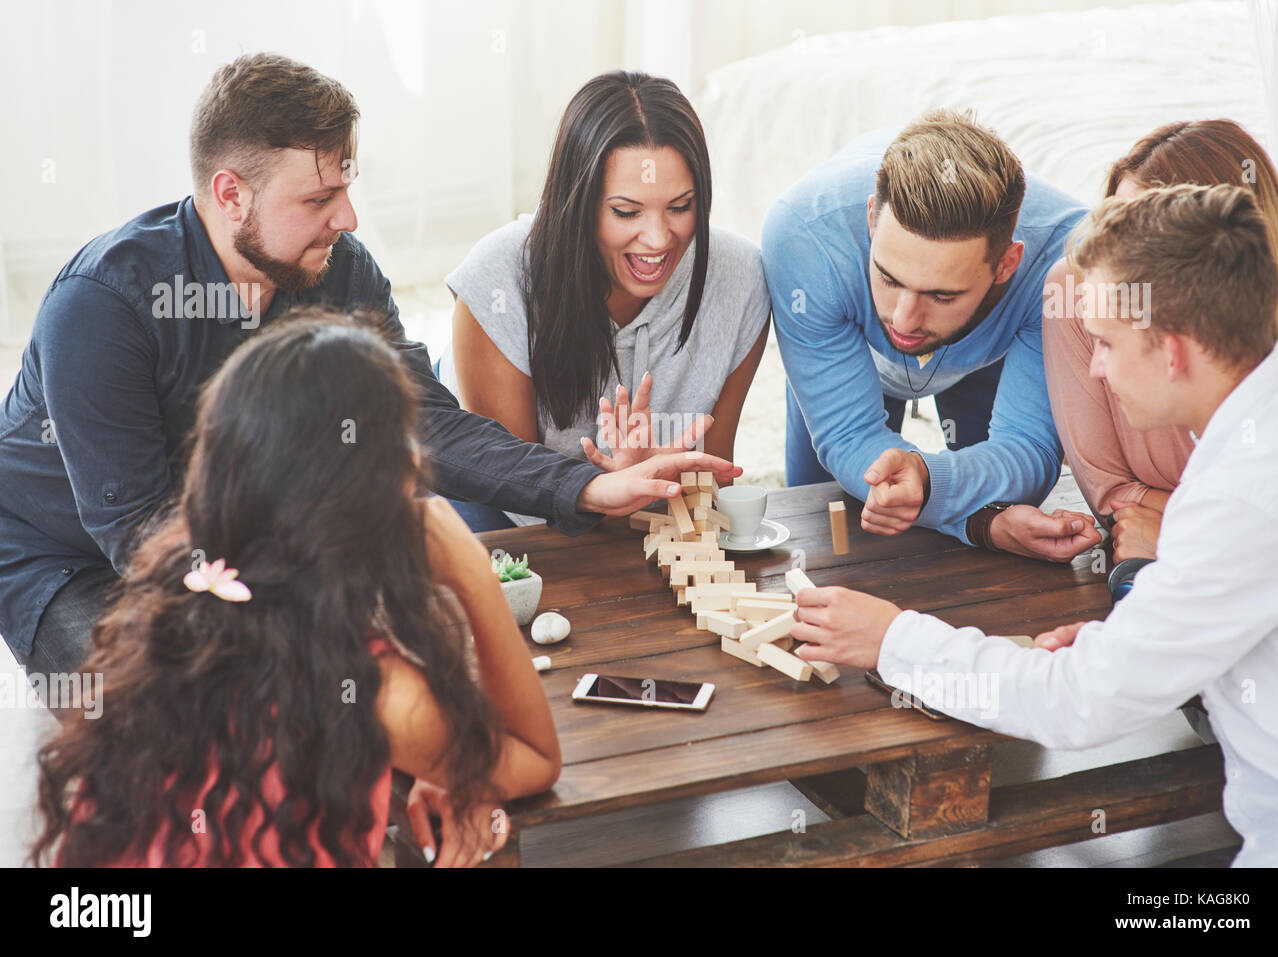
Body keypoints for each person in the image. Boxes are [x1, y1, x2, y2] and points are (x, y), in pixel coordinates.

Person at [0, 53, 740, 679]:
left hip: (250, 538)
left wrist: (588, 484)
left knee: (387, 672)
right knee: (198, 707)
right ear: (231, 193)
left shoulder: (338, 270)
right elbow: (138, 534)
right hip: (71, 563)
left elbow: (428, 425)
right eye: (321, 196)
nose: (349, 217)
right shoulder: (103, 306)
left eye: (348, 186)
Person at [785, 185, 1278, 866]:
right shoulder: (1271, 418)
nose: (1094, 365)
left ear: (1173, 352)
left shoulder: (1242, 491)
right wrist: (1138, 639)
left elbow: (1079, 703)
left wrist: (891, 639)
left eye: (1108, 342)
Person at [32, 311, 559, 867]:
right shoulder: (371, 687)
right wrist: (473, 571)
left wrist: (434, 761)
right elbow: (536, 758)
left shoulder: (180, 607)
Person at [437, 70, 769, 530]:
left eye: (681, 206)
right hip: (490, 494)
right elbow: (512, 491)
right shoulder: (498, 277)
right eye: (626, 211)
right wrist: (612, 488)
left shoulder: (741, 277)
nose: (657, 239)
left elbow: (711, 487)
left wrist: (661, 484)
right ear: (578, 204)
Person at [763, 109, 1099, 561]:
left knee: (1010, 519)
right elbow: (847, 435)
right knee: (818, 532)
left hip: (987, 358)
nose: (903, 320)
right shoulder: (804, 238)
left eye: (941, 295)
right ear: (870, 220)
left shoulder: (1068, 265)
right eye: (887, 278)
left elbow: (1029, 452)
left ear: (1007, 265)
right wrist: (977, 520)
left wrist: (934, 481)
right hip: (850, 343)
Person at [1015, 120, 1278, 563]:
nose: (1121, 253)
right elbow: (1108, 491)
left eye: (1144, 228)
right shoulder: (1075, 292)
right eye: (1114, 223)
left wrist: (1178, 534)